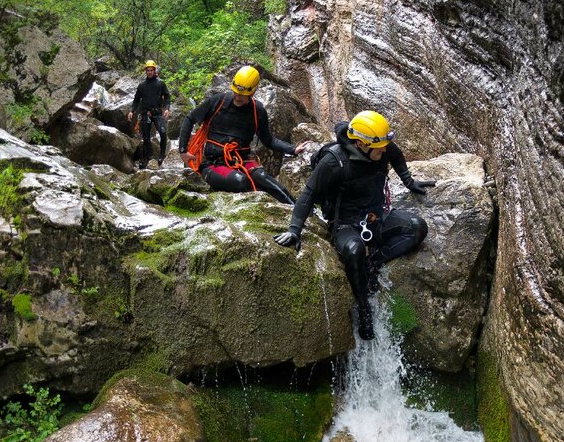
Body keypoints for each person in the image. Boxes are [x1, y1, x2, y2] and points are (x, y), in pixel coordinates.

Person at [274, 110, 436, 340]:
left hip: (376, 218)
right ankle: (363, 308)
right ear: (360, 143)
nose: (384, 150)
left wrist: (409, 182)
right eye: (379, 148)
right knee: (353, 250)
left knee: (417, 227)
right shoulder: (334, 161)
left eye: (385, 146)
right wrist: (294, 230)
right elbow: (308, 195)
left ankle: (373, 264)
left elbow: (397, 157)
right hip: (345, 224)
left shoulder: (381, 147)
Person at [177, 65, 312, 203]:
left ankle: (300, 209)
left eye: (242, 95)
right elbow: (190, 118)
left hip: (242, 160)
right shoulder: (219, 101)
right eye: (235, 92)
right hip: (213, 163)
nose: (237, 96)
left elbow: (268, 140)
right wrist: (183, 151)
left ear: (252, 92)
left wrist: (293, 149)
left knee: (266, 180)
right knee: (241, 181)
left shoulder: (257, 110)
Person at [128, 60, 171, 169]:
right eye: (148, 70)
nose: (149, 72)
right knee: (146, 138)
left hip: (157, 113)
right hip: (145, 114)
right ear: (146, 71)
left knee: (163, 133)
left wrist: (167, 109)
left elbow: (167, 97)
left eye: (151, 70)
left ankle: (162, 156)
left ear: (154, 71)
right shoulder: (142, 86)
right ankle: (146, 159)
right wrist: (131, 111)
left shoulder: (160, 84)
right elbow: (136, 100)